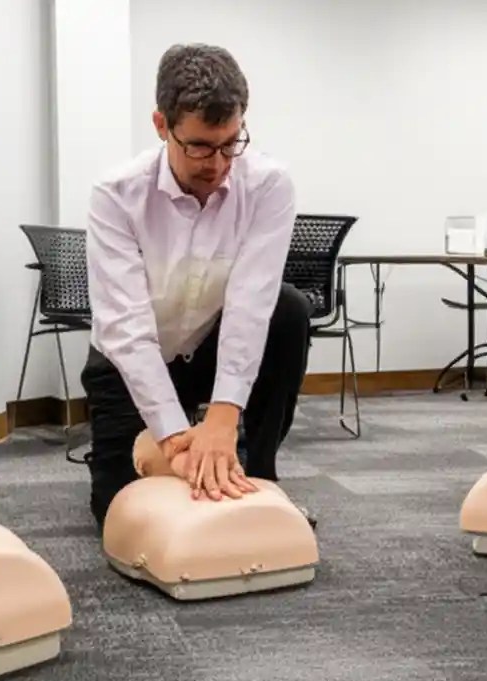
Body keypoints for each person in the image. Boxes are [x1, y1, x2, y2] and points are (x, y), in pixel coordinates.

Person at [81, 43, 311, 527]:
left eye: (231, 143)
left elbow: (251, 307)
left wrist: (223, 420)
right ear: (161, 125)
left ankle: (259, 473)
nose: (218, 163)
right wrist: (171, 437)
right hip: (130, 363)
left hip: (207, 345)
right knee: (116, 508)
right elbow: (127, 329)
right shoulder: (117, 196)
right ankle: (192, 460)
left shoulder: (269, 186)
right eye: (201, 147)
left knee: (288, 310)